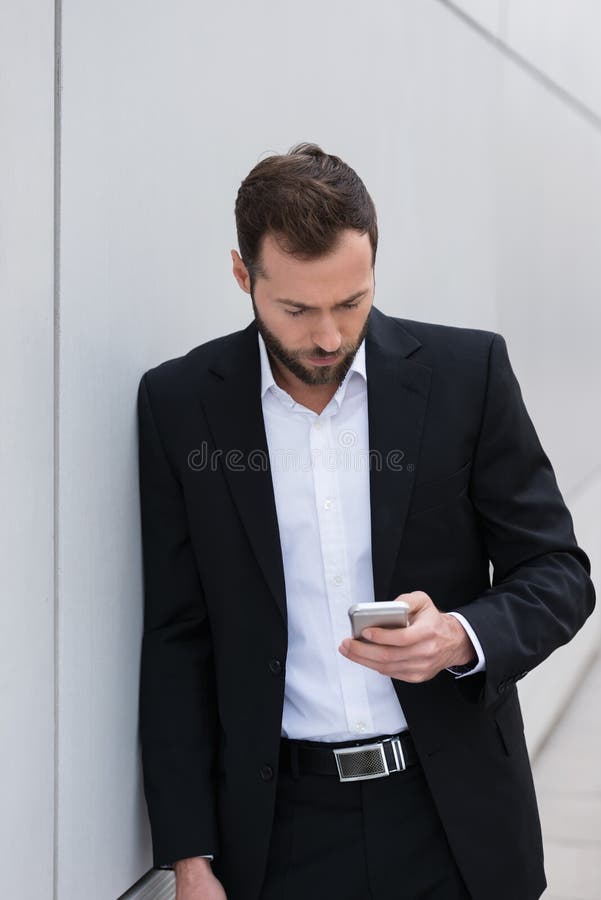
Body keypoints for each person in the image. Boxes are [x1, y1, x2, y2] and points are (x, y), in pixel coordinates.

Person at [136, 143, 595, 900]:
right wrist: (189, 857)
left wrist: (459, 636)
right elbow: (178, 634)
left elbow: (557, 573)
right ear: (241, 275)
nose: (327, 336)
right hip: (276, 834)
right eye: (297, 309)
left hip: (453, 820)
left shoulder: (465, 375)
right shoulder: (181, 404)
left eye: (351, 303)